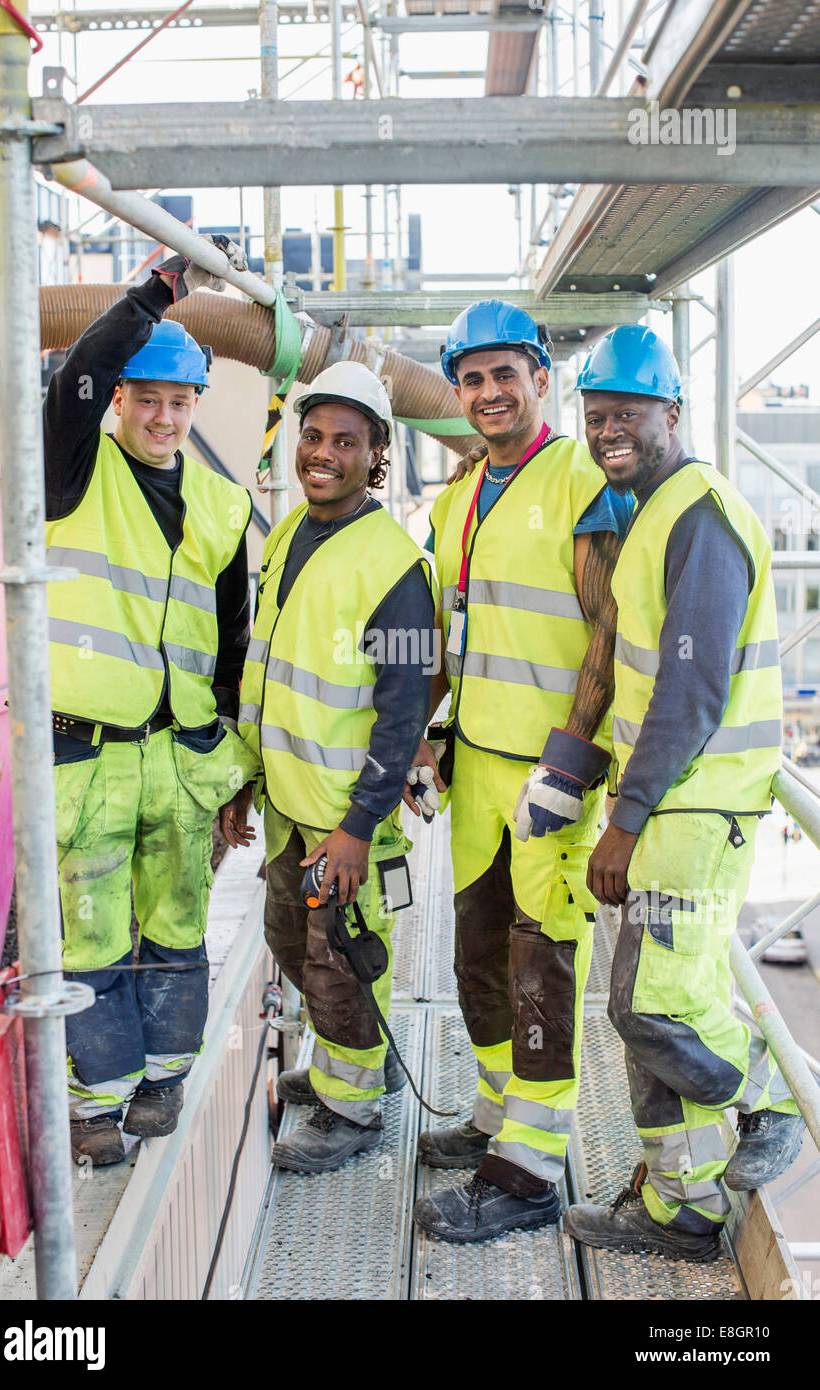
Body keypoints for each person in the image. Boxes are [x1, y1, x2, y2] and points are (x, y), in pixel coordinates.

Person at [562, 324, 804, 1263]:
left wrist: (622, 824)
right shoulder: (654, 512)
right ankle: (684, 1209)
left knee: (649, 1008)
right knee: (654, 1003)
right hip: (673, 802)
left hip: (692, 808)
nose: (608, 427)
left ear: (673, 412)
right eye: (595, 414)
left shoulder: (697, 514)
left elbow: (692, 691)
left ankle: (764, 1095)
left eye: (627, 410)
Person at [408, 300, 634, 1243]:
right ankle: (499, 1114)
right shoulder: (459, 496)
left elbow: (612, 627)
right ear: (456, 391)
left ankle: (531, 1170)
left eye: (508, 374)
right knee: (476, 955)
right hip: (479, 768)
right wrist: (426, 735)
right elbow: (449, 633)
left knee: (542, 969)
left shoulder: (584, 478)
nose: (489, 392)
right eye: (472, 378)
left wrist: (572, 762)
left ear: (541, 378)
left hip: (553, 778)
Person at [46, 235, 253, 1166]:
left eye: (180, 402)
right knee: (90, 932)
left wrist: (231, 761)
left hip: (182, 755)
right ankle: (97, 1103)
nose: (165, 418)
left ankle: (163, 1080)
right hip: (87, 752)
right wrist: (158, 292)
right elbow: (72, 378)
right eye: (148, 400)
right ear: (119, 400)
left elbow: (235, 640)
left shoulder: (221, 507)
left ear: (197, 405)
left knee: (175, 927)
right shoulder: (75, 472)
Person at [220, 361, 437, 1173]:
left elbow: (404, 711)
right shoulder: (288, 535)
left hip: (347, 826)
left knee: (340, 957)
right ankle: (344, 1069)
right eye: (313, 436)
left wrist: (356, 827)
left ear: (375, 453)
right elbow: (266, 675)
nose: (322, 452)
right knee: (290, 939)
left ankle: (354, 1109)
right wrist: (245, 782)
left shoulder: (395, 567)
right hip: (288, 806)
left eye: (345, 441)